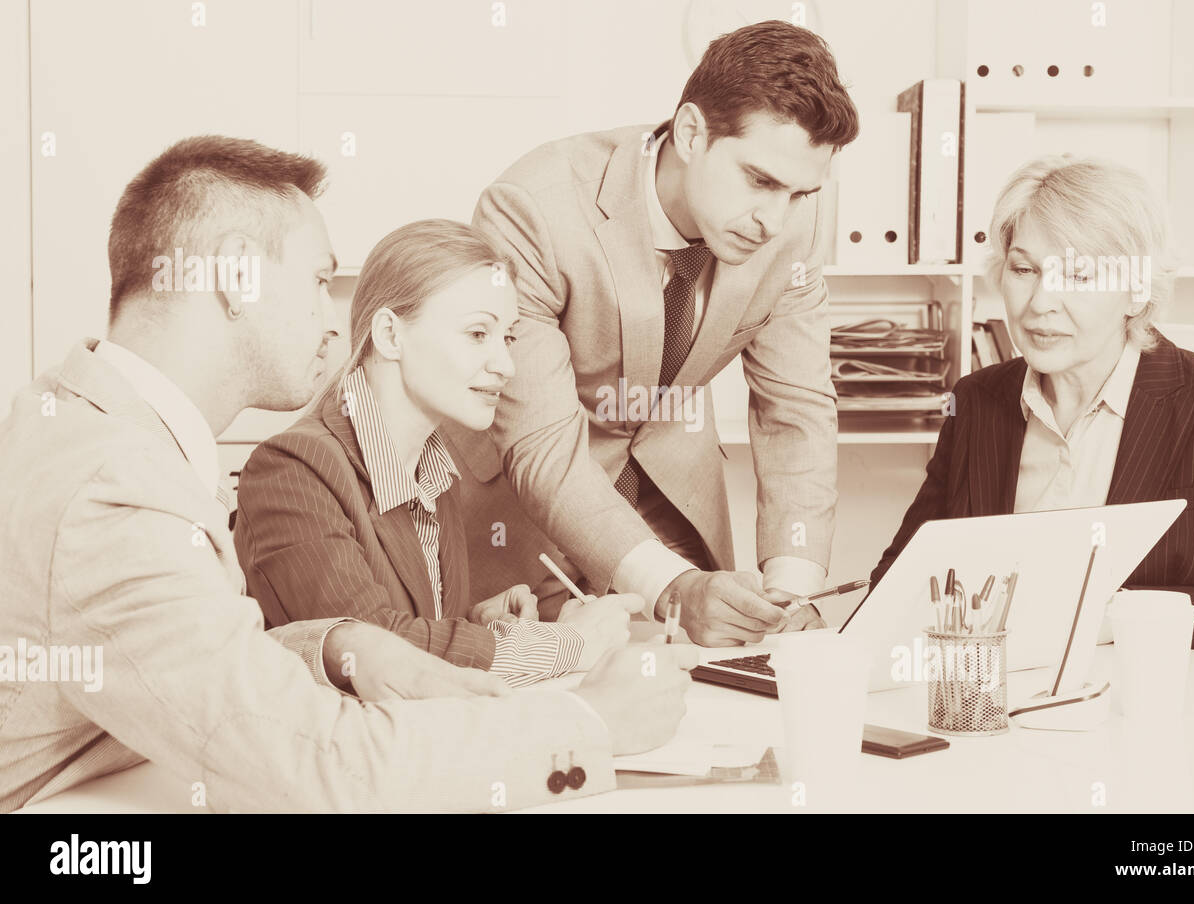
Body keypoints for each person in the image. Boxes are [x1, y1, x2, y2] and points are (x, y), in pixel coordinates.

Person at [0, 135, 696, 813]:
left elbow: (184, 671)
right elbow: (314, 769)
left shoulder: (89, 431)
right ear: (237, 275)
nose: (332, 323)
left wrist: (335, 644)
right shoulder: (116, 492)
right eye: (316, 279)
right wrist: (589, 723)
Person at [448, 21, 860, 646]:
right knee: (554, 690)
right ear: (692, 132)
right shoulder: (535, 207)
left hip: (674, 483)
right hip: (530, 497)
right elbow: (539, 442)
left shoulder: (793, 224)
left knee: (715, 688)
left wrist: (792, 590)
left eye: (801, 193)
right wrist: (671, 587)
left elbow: (797, 411)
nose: (775, 221)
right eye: (760, 180)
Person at [870, 155, 1194, 656]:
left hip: (1144, 712)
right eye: (1024, 269)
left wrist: (1115, 619)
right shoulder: (975, 401)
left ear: (1136, 293)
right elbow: (894, 589)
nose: (1040, 302)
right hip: (989, 712)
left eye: (1079, 275)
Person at [233, 219, 643, 685]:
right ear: (390, 335)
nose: (505, 366)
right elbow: (376, 653)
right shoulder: (293, 470)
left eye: (507, 337)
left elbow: (409, 631)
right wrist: (572, 643)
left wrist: (478, 624)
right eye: (477, 334)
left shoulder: (434, 466)